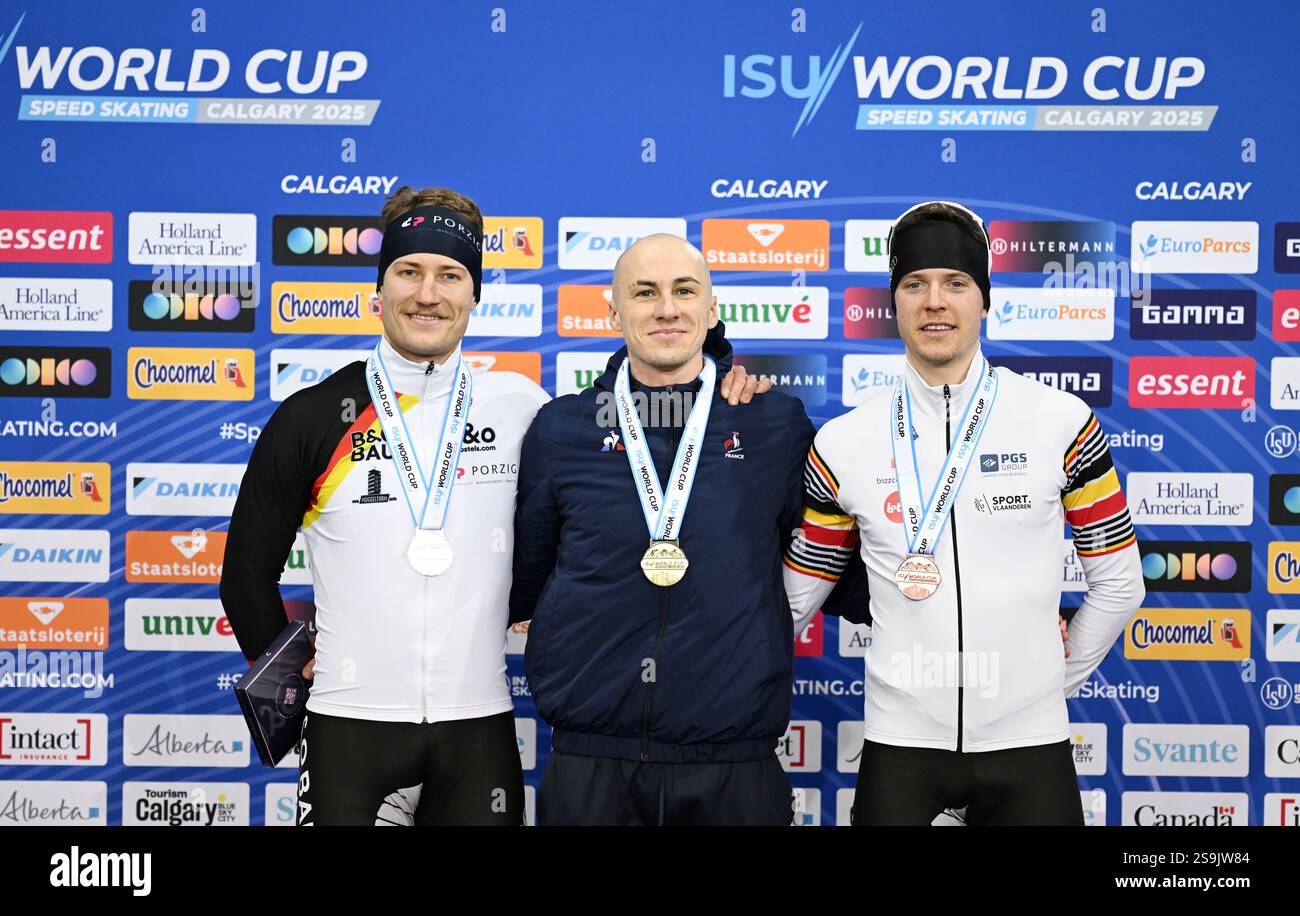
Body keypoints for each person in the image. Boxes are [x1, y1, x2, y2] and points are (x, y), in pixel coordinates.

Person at [221, 188, 768, 826]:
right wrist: (291, 670)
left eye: (451, 275)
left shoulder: (519, 406)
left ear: (475, 294)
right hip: (348, 722)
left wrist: (724, 374)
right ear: (377, 289)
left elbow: (639, 397)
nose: (429, 294)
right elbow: (245, 575)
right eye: (409, 272)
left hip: (478, 728)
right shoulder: (312, 416)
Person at [783, 201, 1144, 826]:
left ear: (984, 299)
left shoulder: (1062, 424)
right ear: (892, 302)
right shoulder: (843, 443)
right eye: (914, 284)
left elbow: (1119, 583)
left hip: (1030, 747)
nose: (934, 302)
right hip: (900, 748)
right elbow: (793, 601)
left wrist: (1044, 687)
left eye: (956, 284)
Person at [510, 233, 852, 826]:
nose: (667, 308)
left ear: (712, 309)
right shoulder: (562, 429)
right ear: (614, 312)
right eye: (645, 293)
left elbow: (835, 560)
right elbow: (524, 580)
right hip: (592, 762)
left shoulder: (773, 421)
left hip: (736, 765)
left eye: (684, 290)